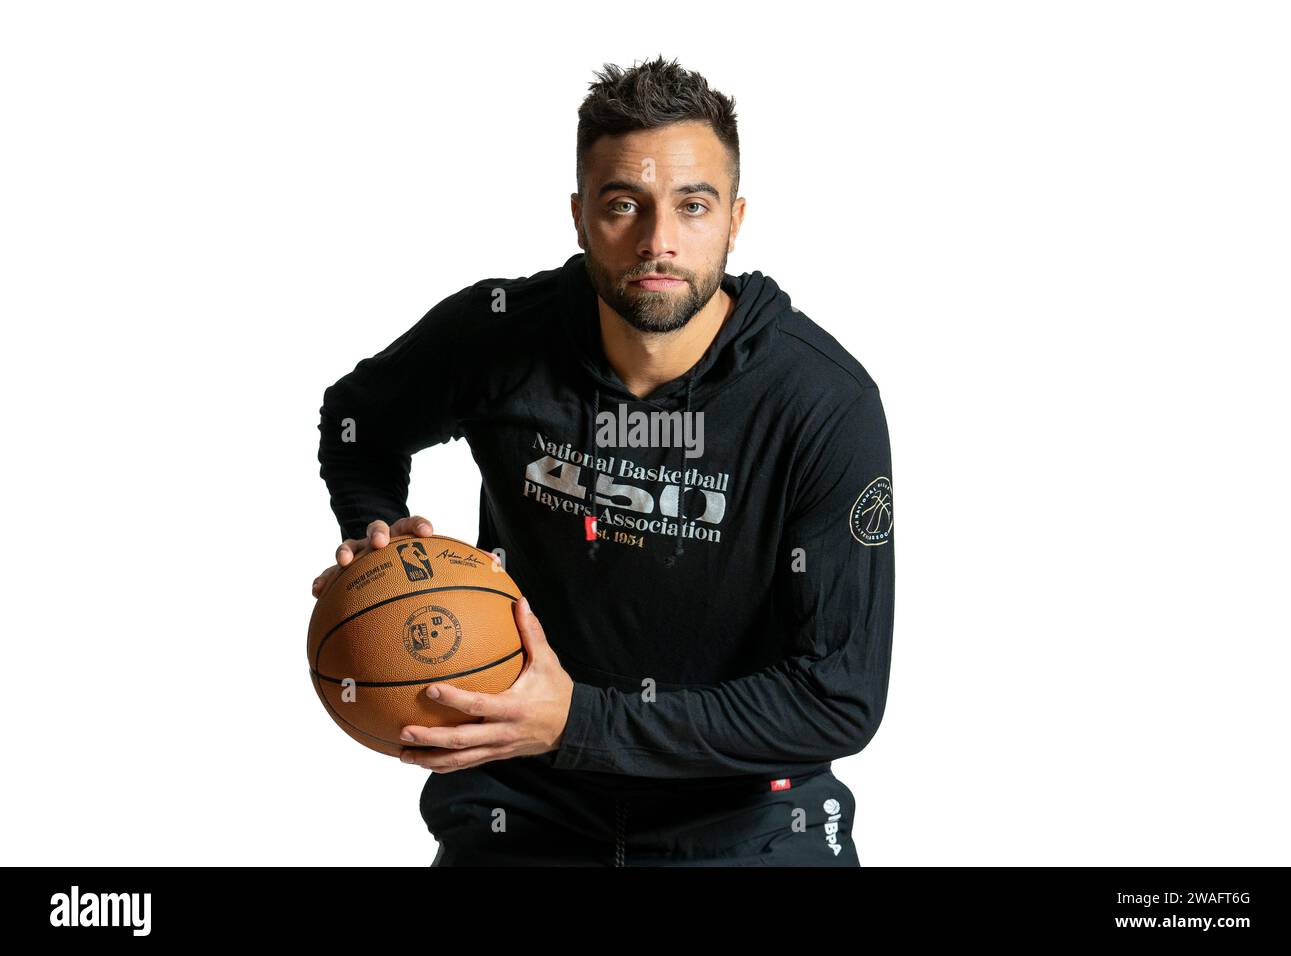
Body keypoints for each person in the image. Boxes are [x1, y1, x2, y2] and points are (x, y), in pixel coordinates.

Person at [314, 55, 894, 867]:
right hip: (524, 795)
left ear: (735, 219)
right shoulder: (500, 334)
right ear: (581, 215)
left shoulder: (821, 403)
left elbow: (838, 699)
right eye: (625, 205)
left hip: (746, 817)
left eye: (693, 206)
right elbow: (357, 420)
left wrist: (581, 721)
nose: (659, 241)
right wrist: (380, 537)